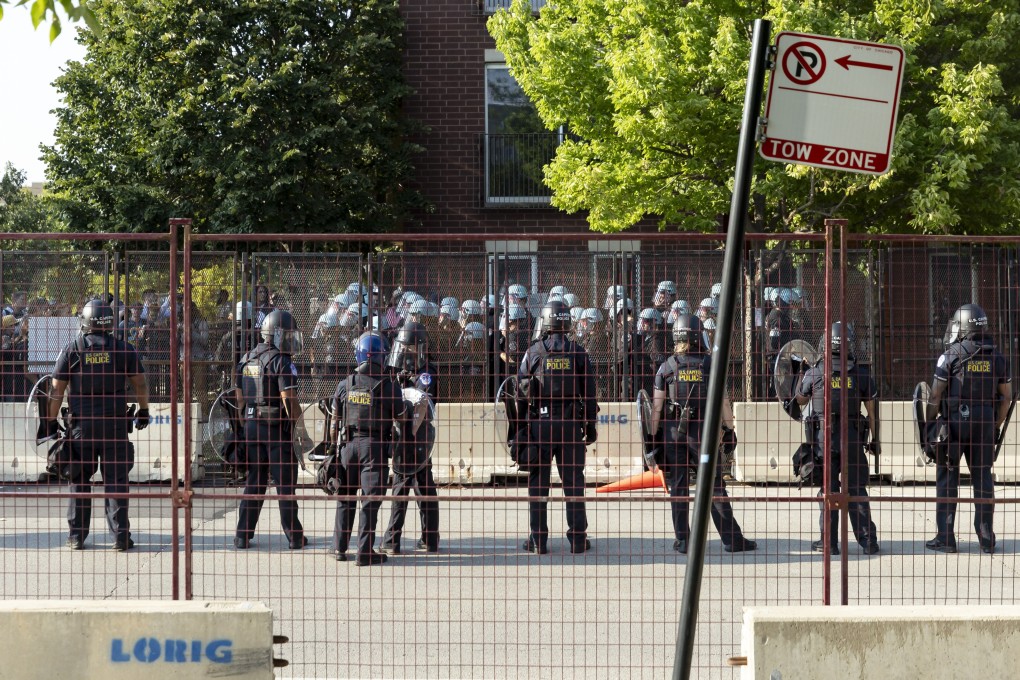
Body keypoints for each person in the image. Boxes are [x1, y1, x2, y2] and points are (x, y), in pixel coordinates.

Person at [45, 299, 150, 551]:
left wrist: (49, 422)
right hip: (114, 426)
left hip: (81, 428)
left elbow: (56, 391)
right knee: (116, 480)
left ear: (85, 321)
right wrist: (144, 410)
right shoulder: (124, 349)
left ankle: (76, 536)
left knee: (79, 480)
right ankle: (121, 536)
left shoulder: (73, 350)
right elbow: (140, 384)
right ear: (109, 322)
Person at [649, 313, 756, 555]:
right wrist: (729, 429)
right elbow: (724, 402)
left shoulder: (666, 367)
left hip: (674, 434)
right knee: (714, 486)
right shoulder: (710, 365)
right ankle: (731, 540)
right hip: (703, 435)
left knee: (678, 487)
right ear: (699, 335)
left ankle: (684, 541)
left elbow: (656, 408)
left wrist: (653, 439)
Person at [924, 304, 1011, 554]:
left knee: (948, 476)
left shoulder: (951, 355)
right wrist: (994, 423)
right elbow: (1006, 397)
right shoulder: (997, 357)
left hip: (954, 424)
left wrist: (929, 424)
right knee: (982, 476)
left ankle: (946, 537)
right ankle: (986, 536)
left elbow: (935, 395)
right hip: (984, 422)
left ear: (962, 326)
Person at [517, 300, 598, 555]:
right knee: (574, 482)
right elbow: (590, 395)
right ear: (566, 322)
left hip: (541, 426)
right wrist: (591, 426)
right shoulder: (579, 353)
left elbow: (519, 392)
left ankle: (538, 540)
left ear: (546, 321)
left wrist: (521, 429)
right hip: (571, 425)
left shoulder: (533, 353)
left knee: (538, 484)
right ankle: (577, 538)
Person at [794, 322, 880, 555]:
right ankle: (868, 541)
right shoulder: (862, 374)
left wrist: (800, 373)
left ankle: (829, 542)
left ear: (824, 344)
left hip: (824, 439)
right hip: (852, 439)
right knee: (856, 489)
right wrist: (875, 440)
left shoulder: (815, 373)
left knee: (828, 489)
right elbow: (873, 413)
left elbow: (799, 401)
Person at [233, 310, 307, 550]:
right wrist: (300, 431)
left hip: (252, 427)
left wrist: (247, 427)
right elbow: (289, 400)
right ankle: (294, 537)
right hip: (276, 430)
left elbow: (240, 402)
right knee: (285, 484)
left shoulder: (246, 359)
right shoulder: (281, 361)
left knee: (254, 482)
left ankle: (242, 535)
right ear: (276, 335)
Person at [331, 332, 405, 566]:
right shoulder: (388, 385)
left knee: (346, 497)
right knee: (370, 501)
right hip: (373, 447)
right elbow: (402, 418)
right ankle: (365, 552)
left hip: (348, 446)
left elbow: (334, 422)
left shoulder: (345, 384)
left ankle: (340, 548)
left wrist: (336, 449)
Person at [380, 321, 441, 554]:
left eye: (409, 347)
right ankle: (416, 539)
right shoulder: (399, 371)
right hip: (403, 436)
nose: (405, 352)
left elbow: (422, 401)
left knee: (413, 489)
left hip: (418, 437)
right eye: (402, 347)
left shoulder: (425, 372)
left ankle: (408, 539)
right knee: (414, 488)